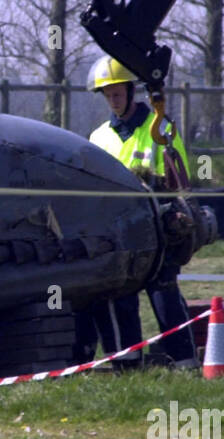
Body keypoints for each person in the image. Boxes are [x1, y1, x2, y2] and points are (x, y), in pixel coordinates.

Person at [78, 55, 198, 369]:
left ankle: (184, 364)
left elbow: (176, 180)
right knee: (119, 300)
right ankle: (127, 368)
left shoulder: (160, 127)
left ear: (131, 91)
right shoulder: (98, 137)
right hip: (119, 235)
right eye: (108, 95)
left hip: (158, 230)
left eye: (117, 93)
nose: (113, 100)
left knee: (165, 297)